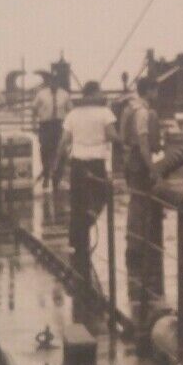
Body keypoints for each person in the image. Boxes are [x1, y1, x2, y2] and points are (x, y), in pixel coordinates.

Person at [51, 81, 119, 286]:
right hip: (97, 162)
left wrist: (57, 165)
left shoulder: (73, 115)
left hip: (78, 163)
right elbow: (112, 135)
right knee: (102, 196)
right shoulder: (105, 112)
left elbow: (64, 142)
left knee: (77, 202)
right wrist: (125, 141)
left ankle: (77, 243)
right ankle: (91, 217)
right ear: (95, 93)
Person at [120, 76, 164, 317]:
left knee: (135, 204)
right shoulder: (143, 113)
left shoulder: (130, 108)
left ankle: (134, 242)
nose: (157, 93)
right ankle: (138, 247)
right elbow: (144, 142)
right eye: (156, 90)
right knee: (140, 204)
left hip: (130, 162)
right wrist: (152, 168)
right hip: (139, 163)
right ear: (150, 90)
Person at [32, 74, 72, 188]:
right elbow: (34, 109)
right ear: (49, 82)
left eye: (56, 81)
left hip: (60, 125)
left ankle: (57, 178)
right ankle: (46, 175)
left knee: (61, 152)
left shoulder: (64, 95)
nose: (53, 84)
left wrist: (69, 127)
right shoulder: (41, 94)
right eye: (51, 82)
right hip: (45, 125)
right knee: (45, 150)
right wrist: (35, 123)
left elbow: (70, 111)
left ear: (58, 82)